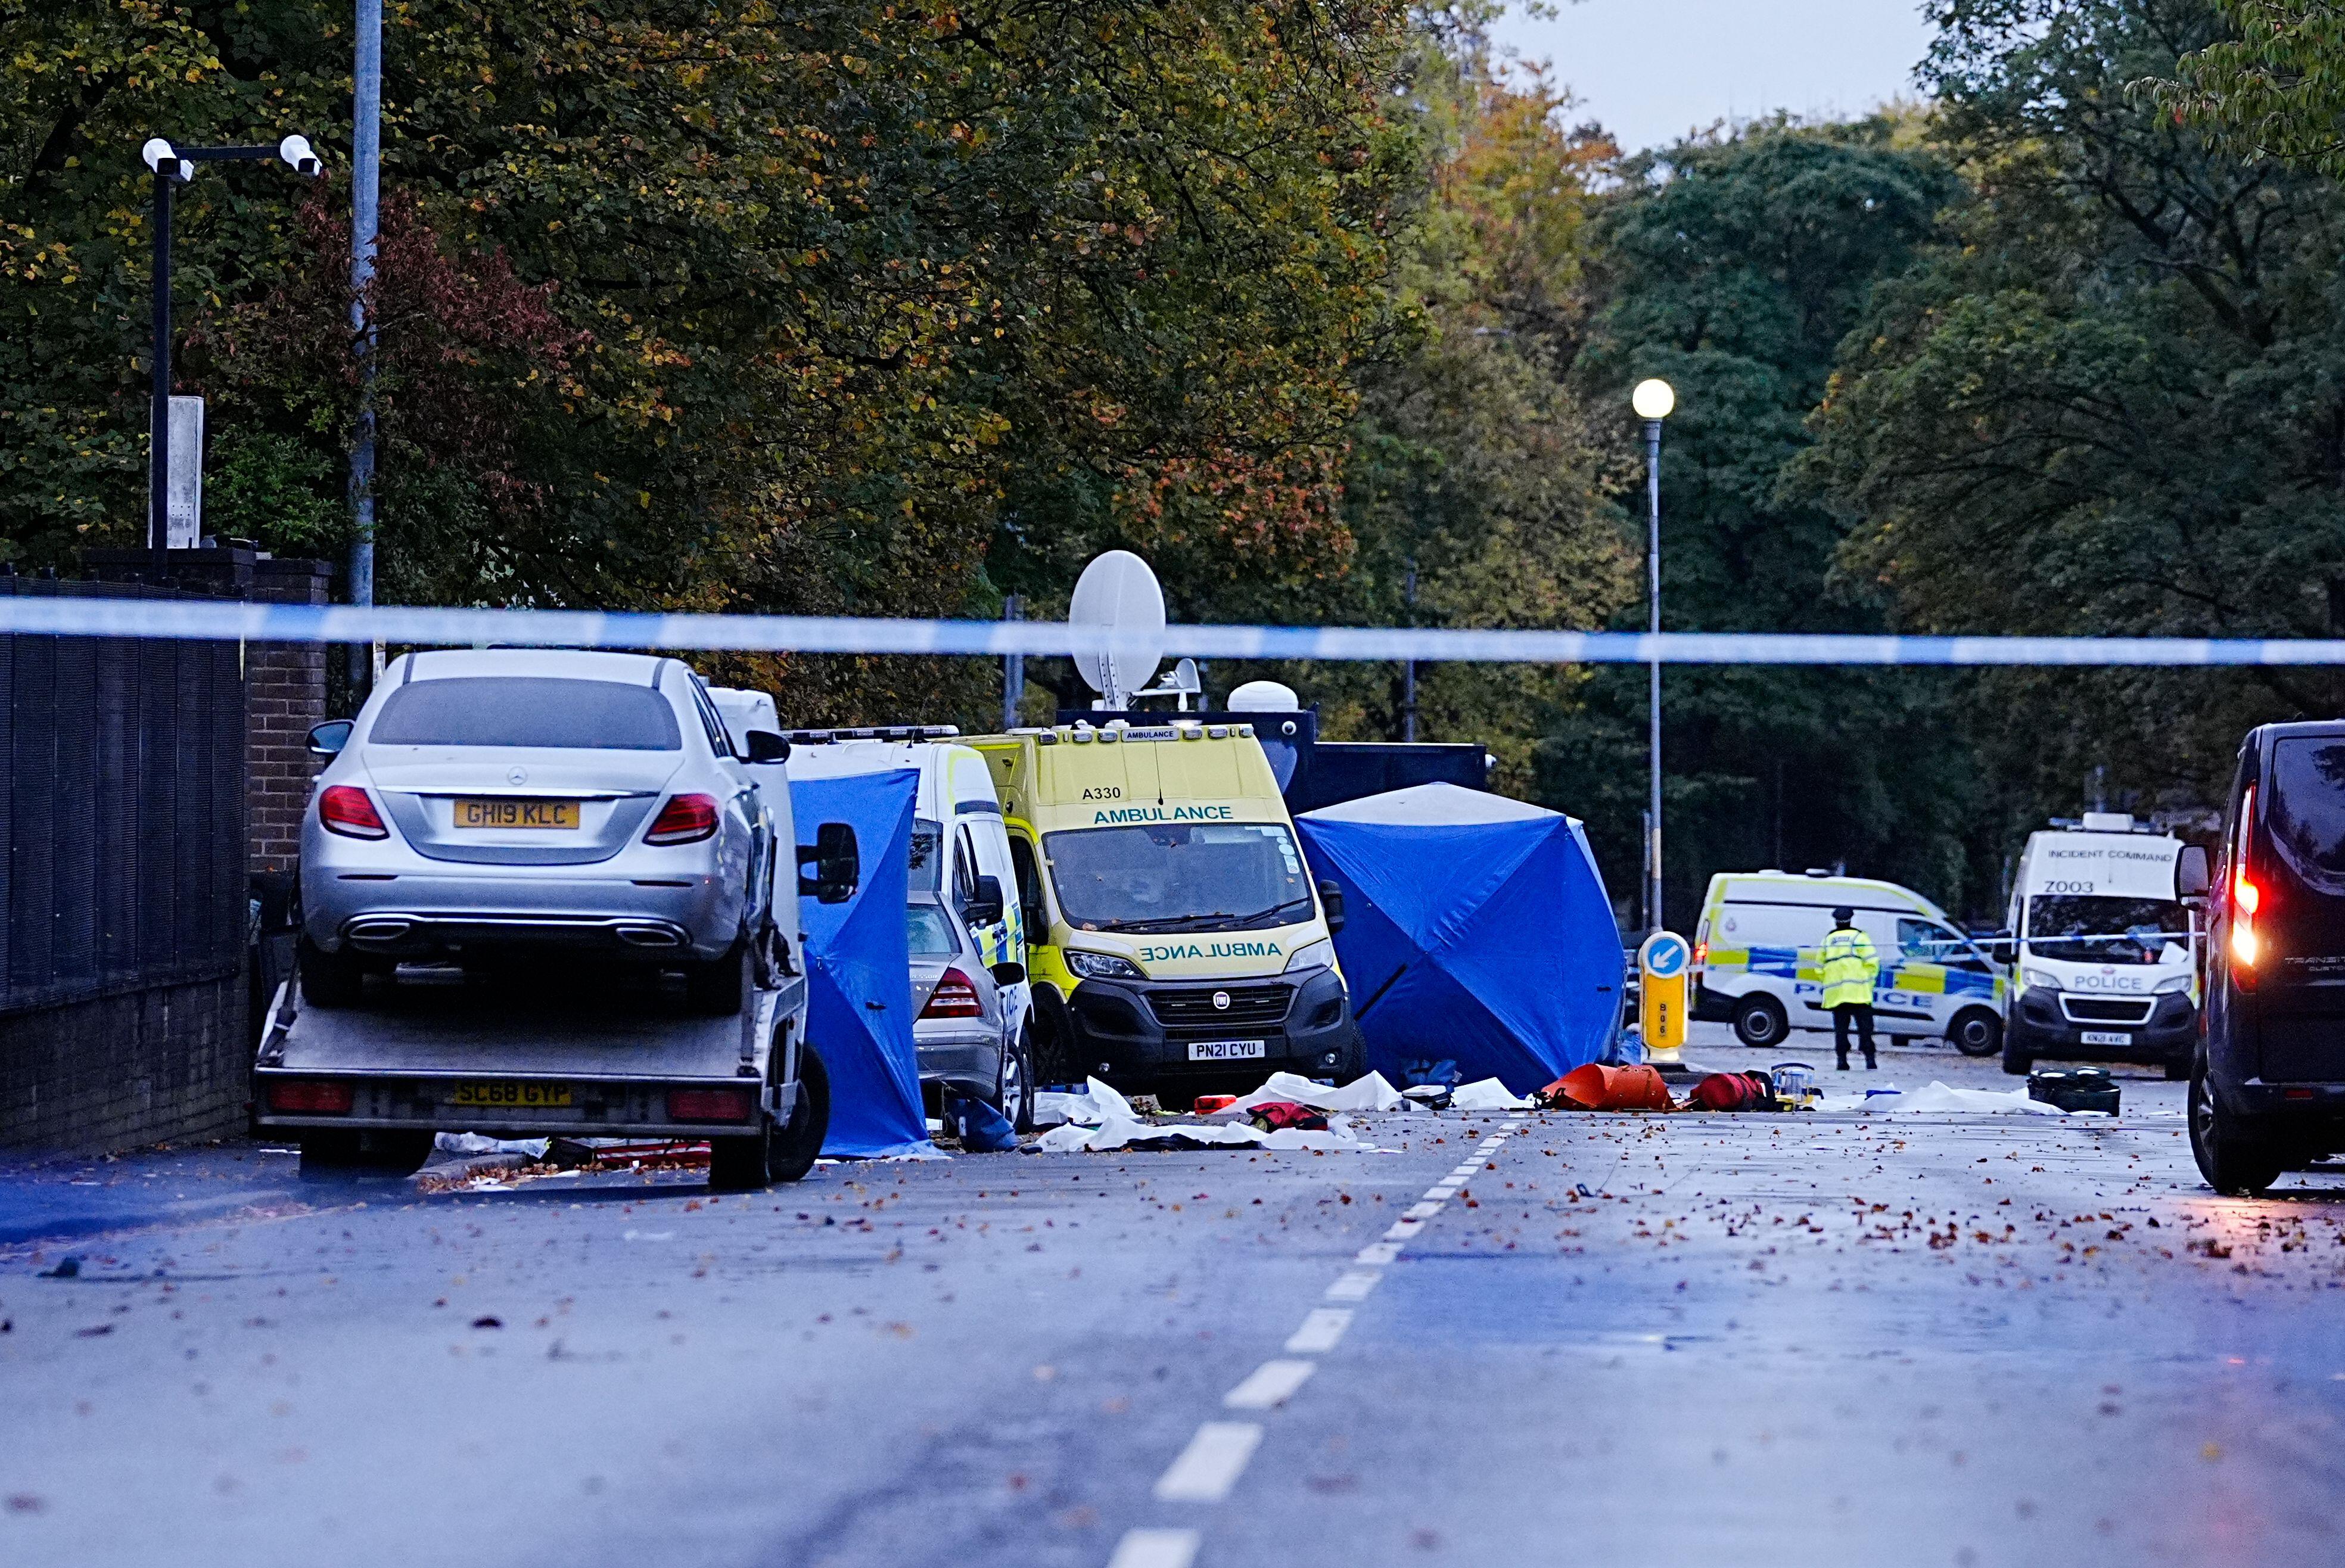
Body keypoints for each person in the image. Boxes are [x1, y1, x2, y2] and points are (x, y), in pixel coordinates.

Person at [1820, 907, 1880, 1071]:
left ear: (1836, 921)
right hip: (1859, 993)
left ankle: (1842, 1060)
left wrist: (1830, 984)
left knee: (1841, 1029)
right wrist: (1868, 983)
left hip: (1837, 995)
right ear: (1851, 920)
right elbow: (1873, 962)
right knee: (1866, 1028)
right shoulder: (1859, 937)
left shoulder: (1828, 940)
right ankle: (1870, 1059)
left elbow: (1819, 967)